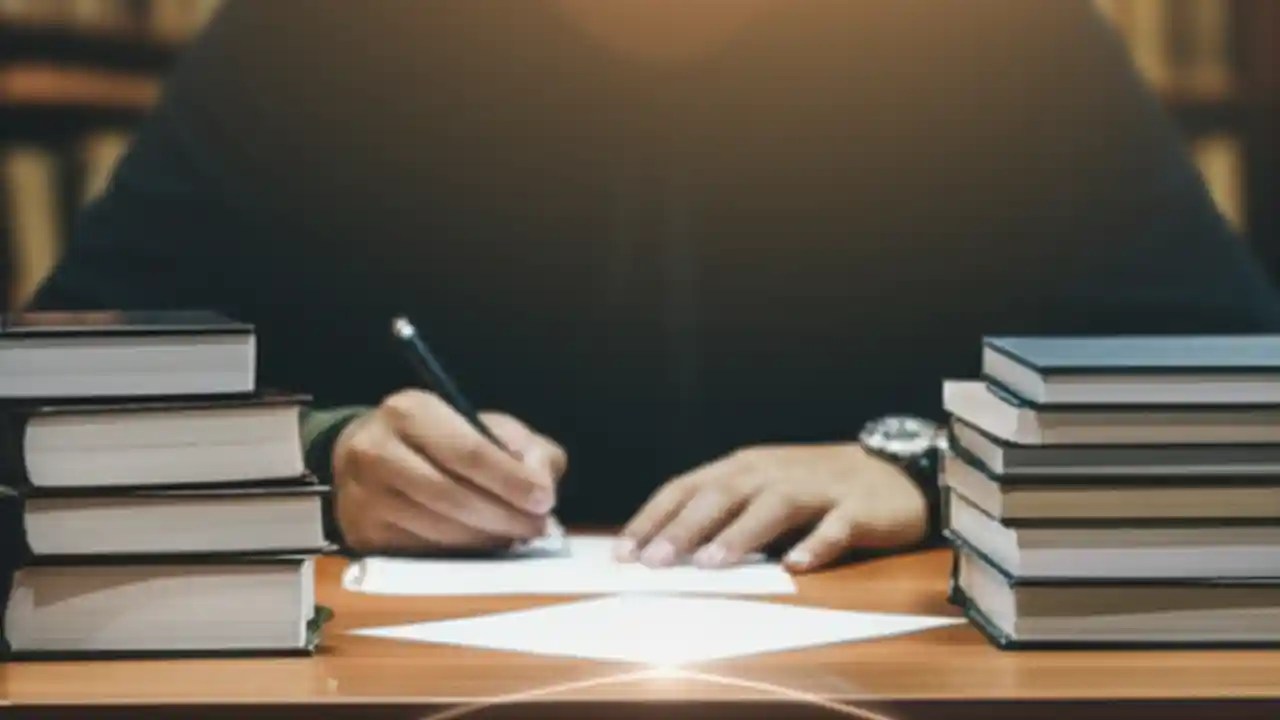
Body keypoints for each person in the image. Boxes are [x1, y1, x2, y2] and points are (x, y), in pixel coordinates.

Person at [31, 1, 1280, 571]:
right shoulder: (313, 37)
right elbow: (51, 397)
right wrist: (324, 451)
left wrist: (925, 466)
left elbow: (1239, 404)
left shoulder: (1001, 39)